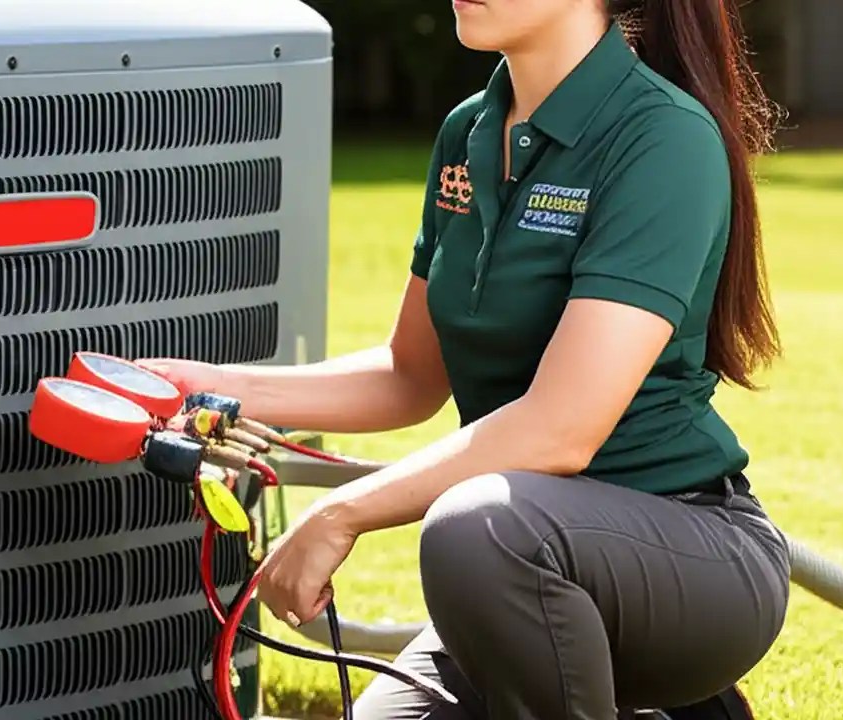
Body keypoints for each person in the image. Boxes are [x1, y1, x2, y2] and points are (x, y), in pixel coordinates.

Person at [137, 0, 792, 717]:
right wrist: (201, 385)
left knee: (470, 526)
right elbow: (409, 376)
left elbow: (562, 429)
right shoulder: (468, 131)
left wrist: (340, 514)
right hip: (516, 559)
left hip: (686, 552)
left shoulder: (663, 136)